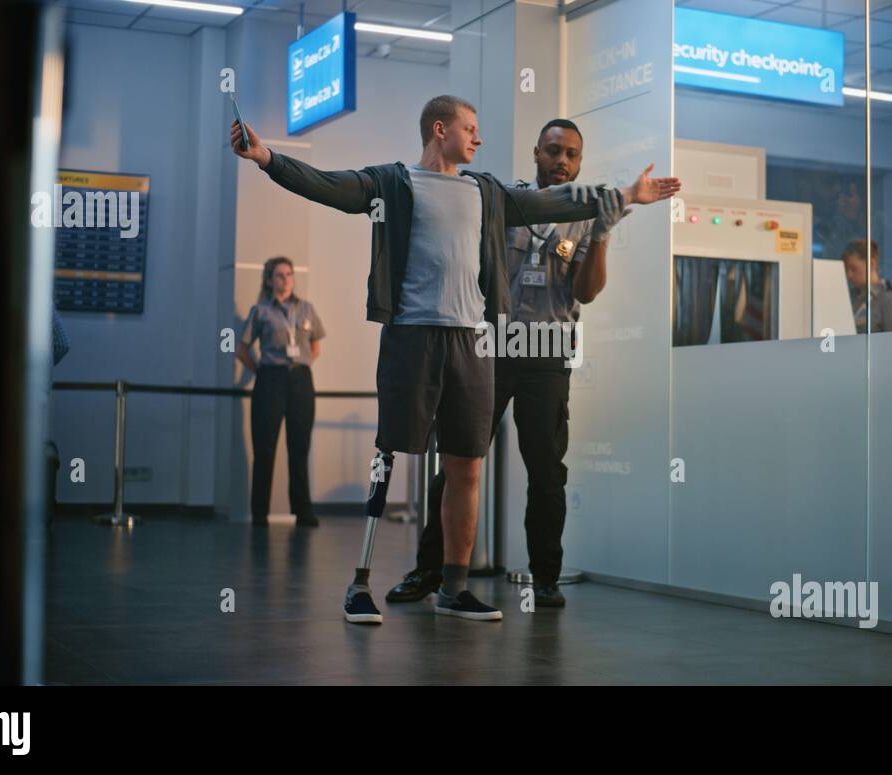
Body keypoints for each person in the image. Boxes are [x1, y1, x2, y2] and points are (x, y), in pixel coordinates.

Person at [231, 95, 679, 624]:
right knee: (395, 452)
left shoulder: (486, 192)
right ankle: (365, 582)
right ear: (440, 130)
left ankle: (456, 587)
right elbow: (330, 186)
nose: (479, 138)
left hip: (475, 343)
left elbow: (558, 204)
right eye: (471, 128)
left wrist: (626, 195)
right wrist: (267, 159)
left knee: (470, 463)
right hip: (418, 337)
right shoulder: (395, 184)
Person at [387, 118, 619, 608]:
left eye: (572, 154)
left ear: (580, 161)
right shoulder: (503, 203)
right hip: (490, 348)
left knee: (547, 473)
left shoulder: (585, 215)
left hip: (547, 352)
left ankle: (546, 579)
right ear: (535, 153)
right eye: (553, 150)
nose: (562, 161)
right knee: (457, 465)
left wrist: (601, 236)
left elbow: (587, 292)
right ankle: (431, 572)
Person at [237, 256, 326, 527]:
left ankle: (303, 511)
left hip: (300, 382)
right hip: (270, 381)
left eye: (289, 274)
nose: (285, 279)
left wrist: (298, 366)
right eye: (279, 275)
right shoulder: (260, 311)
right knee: (265, 449)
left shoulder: (307, 309)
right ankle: (260, 514)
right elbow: (240, 348)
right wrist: (261, 371)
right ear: (269, 279)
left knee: (299, 448)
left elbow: (315, 348)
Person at [841, 239, 892, 333]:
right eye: (846, 269)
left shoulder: (889, 301)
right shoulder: (850, 297)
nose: (849, 275)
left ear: (871, 264)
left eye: (853, 269)